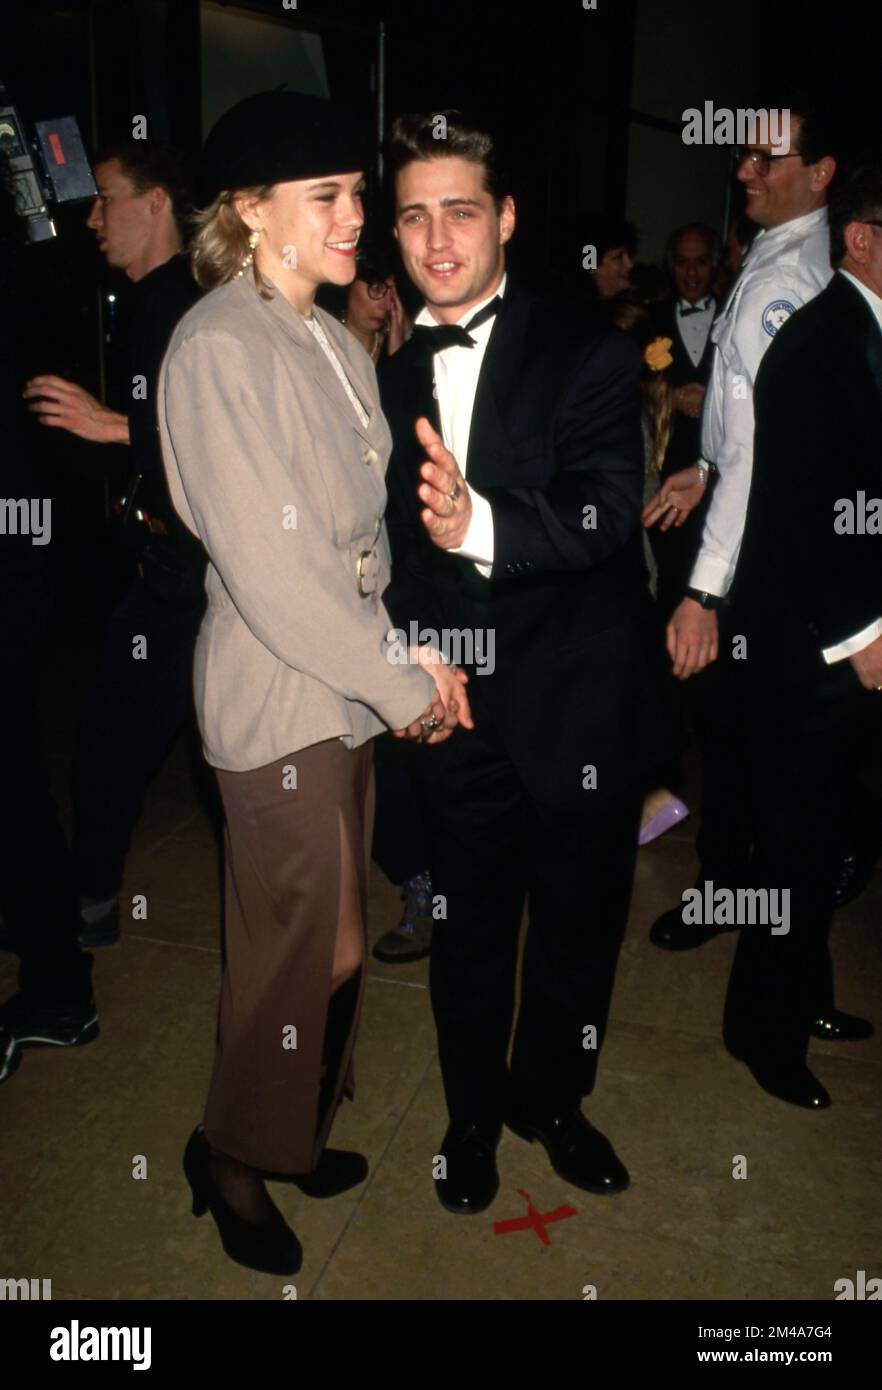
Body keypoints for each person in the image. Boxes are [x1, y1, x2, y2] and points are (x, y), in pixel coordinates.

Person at [158, 90, 471, 1275]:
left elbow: (358, 547)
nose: (359, 219)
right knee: (305, 950)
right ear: (250, 211)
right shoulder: (216, 345)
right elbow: (279, 579)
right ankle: (231, 1152)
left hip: (341, 682)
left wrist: (406, 648)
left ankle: (286, 1128)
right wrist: (404, 684)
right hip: (279, 686)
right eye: (328, 198)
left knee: (326, 945)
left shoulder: (334, 336)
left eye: (357, 195)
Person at [381, 111, 662, 1214]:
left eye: (460, 210)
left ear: (505, 217)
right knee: (469, 930)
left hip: (579, 706)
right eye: (413, 215)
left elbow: (605, 513)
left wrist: (476, 523)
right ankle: (469, 1114)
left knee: (580, 928)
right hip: (451, 706)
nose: (437, 238)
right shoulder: (385, 372)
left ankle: (554, 1098)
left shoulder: (586, 347)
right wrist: (404, 653)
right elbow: (382, 552)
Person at [643, 102, 838, 957]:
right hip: (750, 523)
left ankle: (741, 902)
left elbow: (765, 450)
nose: (745, 171)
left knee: (746, 748)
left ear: (821, 172)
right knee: (749, 749)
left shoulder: (787, 277)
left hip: (758, 560)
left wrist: (702, 593)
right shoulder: (773, 255)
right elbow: (754, 433)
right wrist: (707, 469)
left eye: (767, 158)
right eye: (745, 156)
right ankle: (759, 912)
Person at [721, 158, 881, 1107]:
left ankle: (806, 994)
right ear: (862, 238)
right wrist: (860, 632)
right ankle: (761, 1031)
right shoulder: (822, 341)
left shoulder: (857, 331)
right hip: (811, 646)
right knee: (791, 847)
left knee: (824, 837)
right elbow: (802, 508)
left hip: (839, 640)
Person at [20, 140, 203, 950]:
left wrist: (114, 424)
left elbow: (226, 433)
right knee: (113, 746)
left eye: (107, 199)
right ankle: (88, 900)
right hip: (168, 570)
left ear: (157, 201)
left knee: (159, 750)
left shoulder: (195, 304)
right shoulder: (147, 302)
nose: (93, 218)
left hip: (208, 578)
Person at [0, 156, 95, 1080]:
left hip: (13, 574)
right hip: (22, 572)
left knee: (17, 791)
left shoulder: (23, 286)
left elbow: (32, 461)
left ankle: (59, 980)